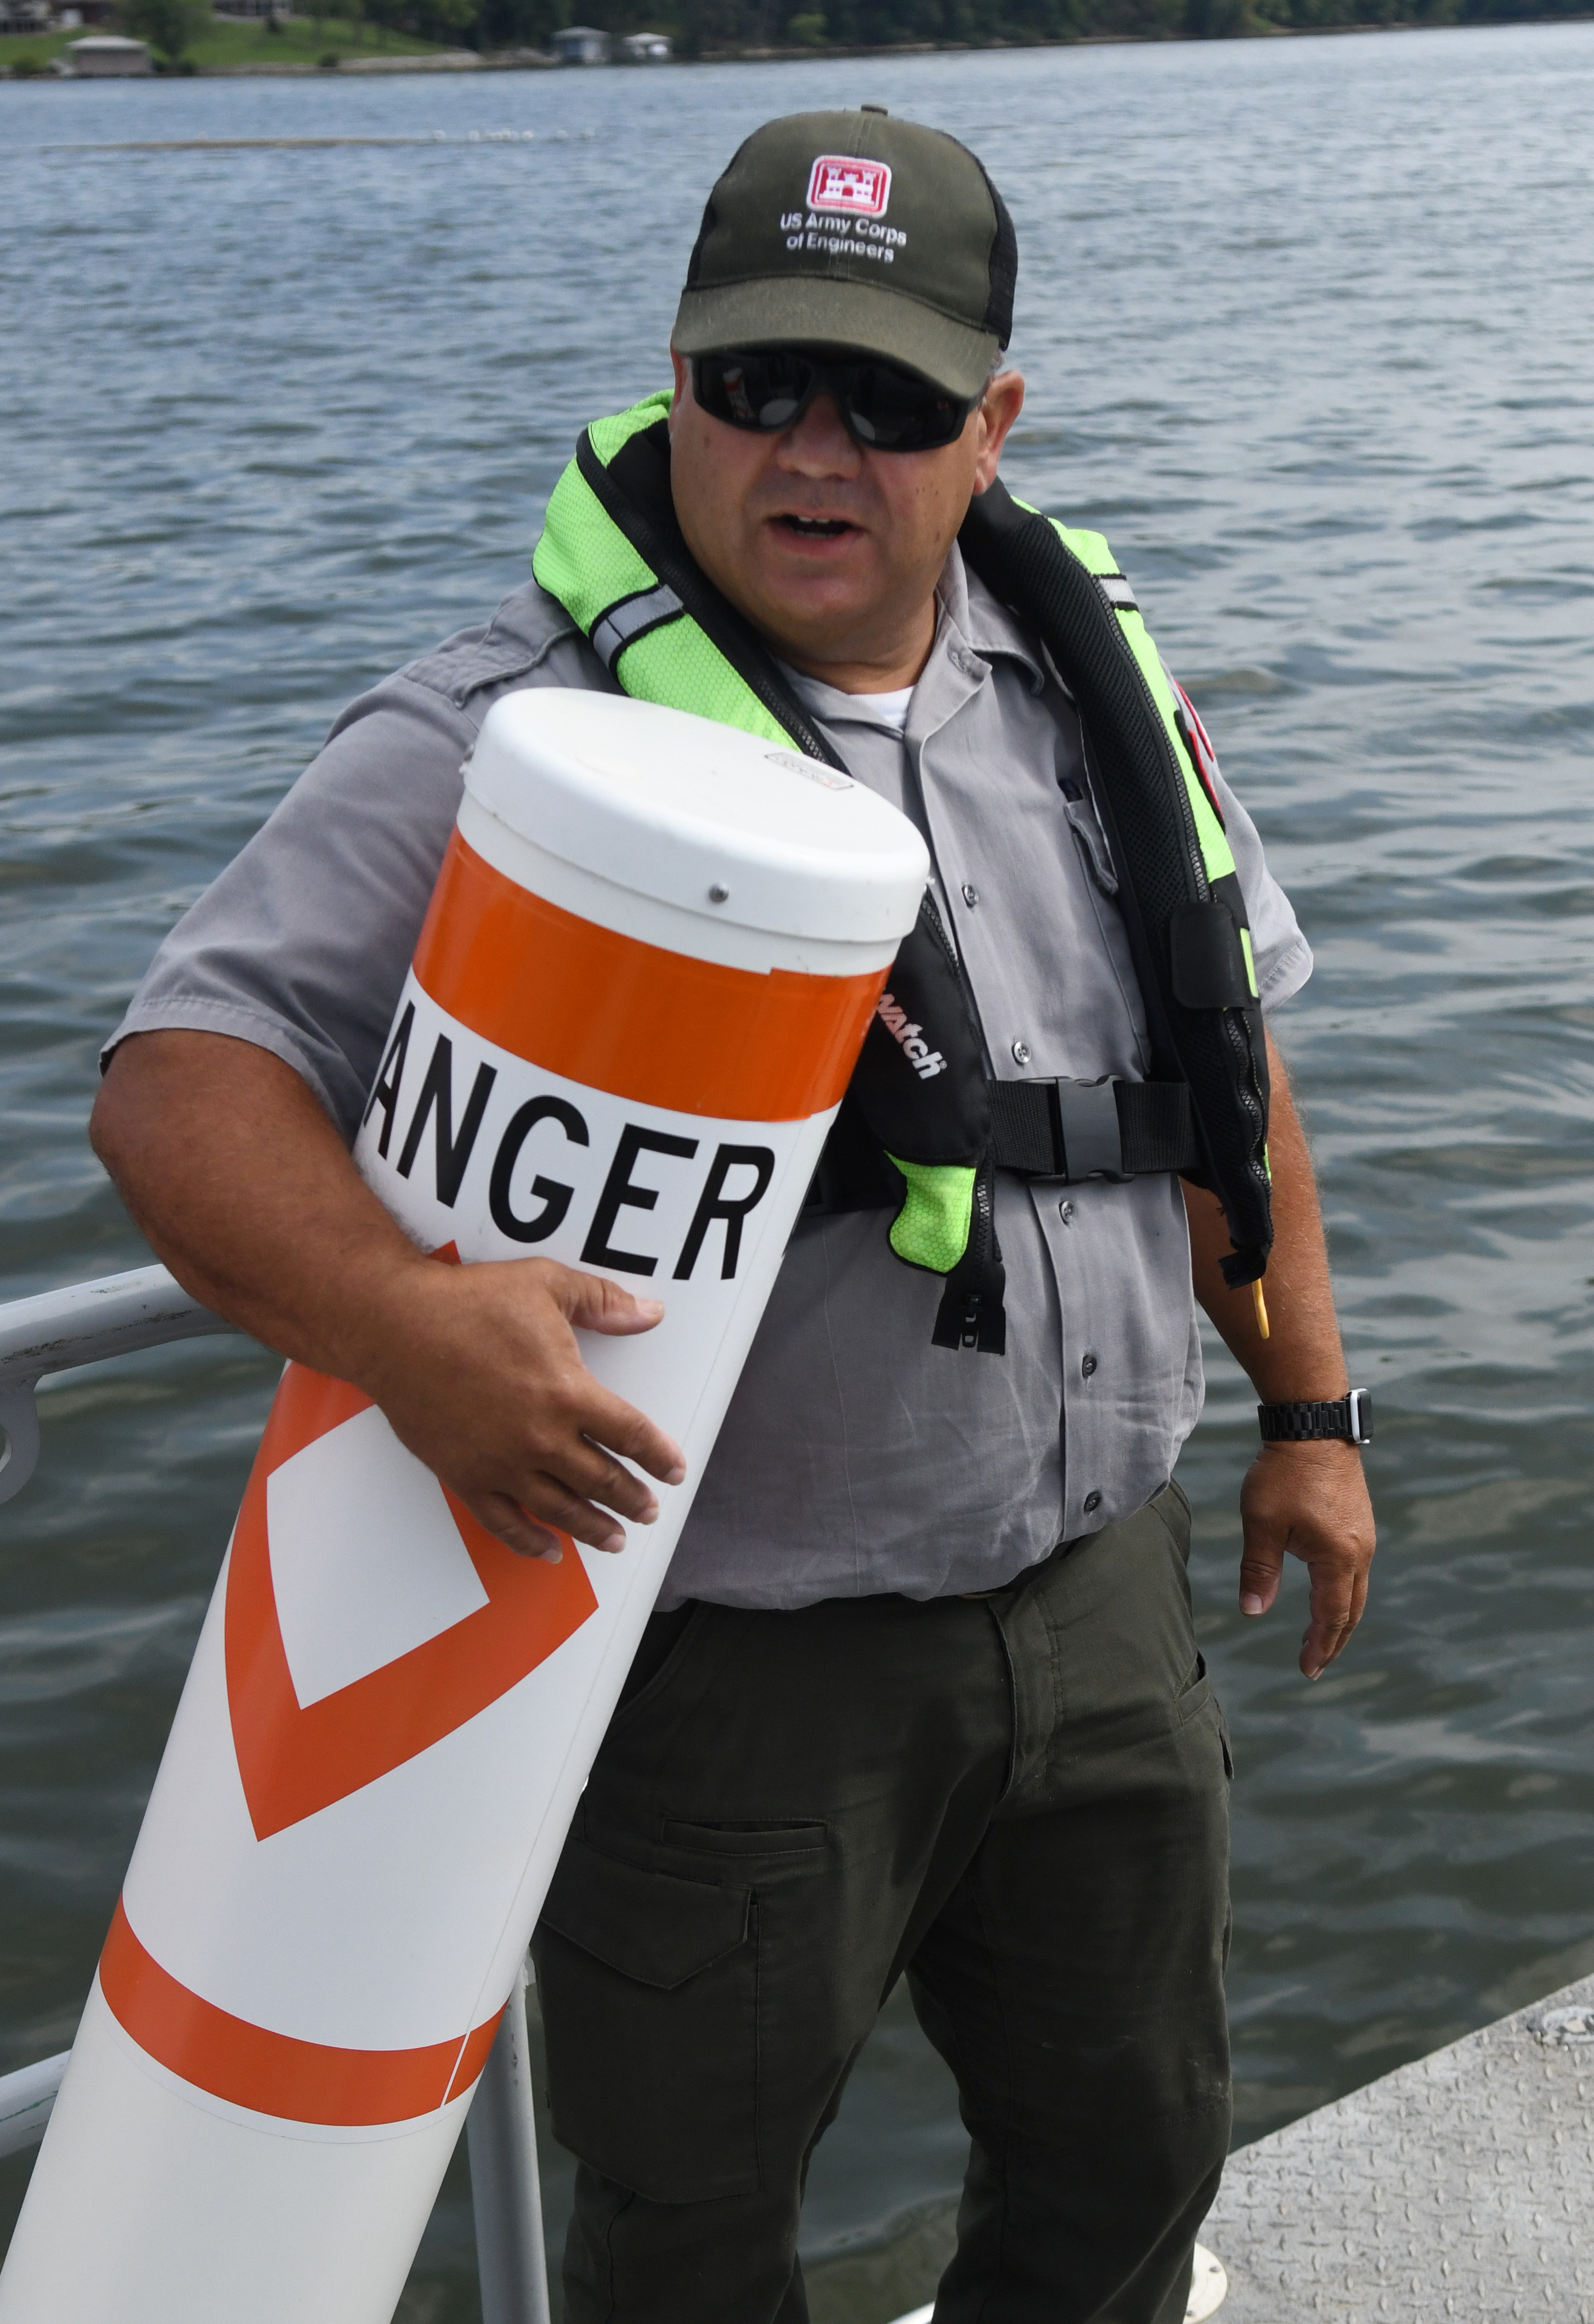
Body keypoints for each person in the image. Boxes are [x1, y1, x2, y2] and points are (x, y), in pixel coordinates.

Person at [91, 108, 1375, 2324]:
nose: (810, 444)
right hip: (728, 1677)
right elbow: (178, 1088)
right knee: (687, 2242)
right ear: (673, 378)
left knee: (1133, 2155)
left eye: (882, 398)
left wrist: (1314, 1410)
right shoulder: (509, 737)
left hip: (1099, 1608)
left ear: (991, 426)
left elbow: (1228, 1071)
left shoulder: (1095, 693)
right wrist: (400, 1320)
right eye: (753, 378)